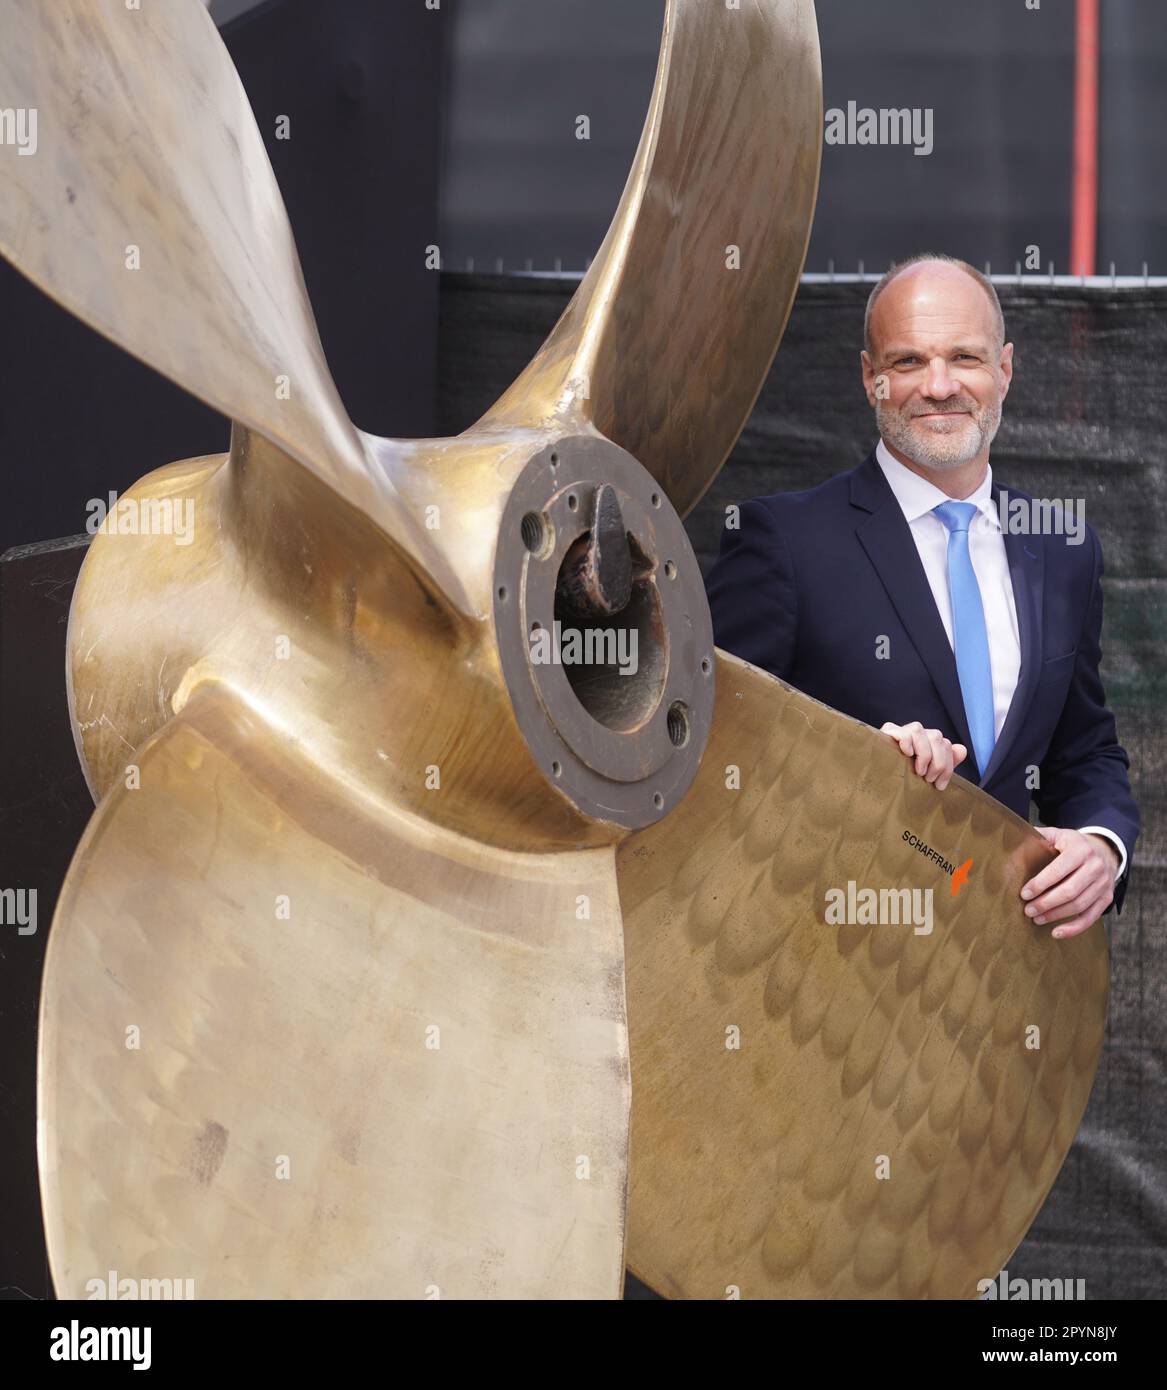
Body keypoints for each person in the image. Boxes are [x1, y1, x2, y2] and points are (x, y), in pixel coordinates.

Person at [705, 253, 1139, 935]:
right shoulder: (783, 542)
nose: (938, 386)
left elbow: (1081, 749)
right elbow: (710, 744)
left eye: (964, 357)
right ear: (869, 378)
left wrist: (1100, 845)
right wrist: (850, 762)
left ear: (1004, 370)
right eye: (907, 362)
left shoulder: (1061, 548)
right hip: (818, 968)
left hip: (1001, 971)